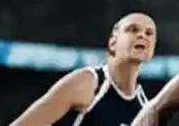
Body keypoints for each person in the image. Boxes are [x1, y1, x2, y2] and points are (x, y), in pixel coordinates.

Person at [10, 12, 157, 126]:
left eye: (149, 33)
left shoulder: (145, 108)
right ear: (113, 43)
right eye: (133, 29)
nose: (142, 35)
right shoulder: (87, 82)